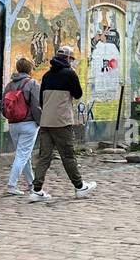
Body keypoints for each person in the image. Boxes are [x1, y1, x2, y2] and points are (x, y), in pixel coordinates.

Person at [28, 47, 97, 202]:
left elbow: (41, 100)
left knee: (44, 157)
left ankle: (36, 189)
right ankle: (79, 186)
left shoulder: (46, 76)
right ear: (67, 59)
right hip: (62, 121)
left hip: (46, 121)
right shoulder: (70, 74)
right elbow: (78, 94)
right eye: (71, 59)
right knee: (68, 155)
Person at [2, 57, 41, 196]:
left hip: (13, 124)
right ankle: (11, 186)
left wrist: (10, 118)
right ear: (30, 69)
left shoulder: (9, 85)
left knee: (25, 155)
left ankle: (31, 184)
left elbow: (3, 106)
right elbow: (36, 106)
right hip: (29, 124)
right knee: (21, 155)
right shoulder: (32, 84)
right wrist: (40, 122)